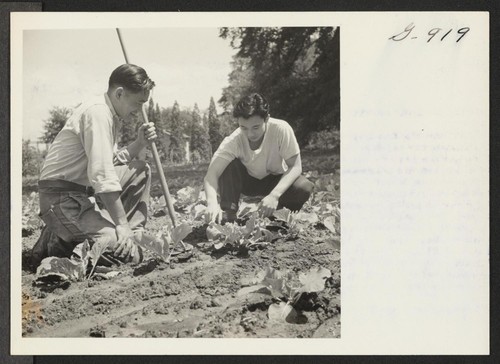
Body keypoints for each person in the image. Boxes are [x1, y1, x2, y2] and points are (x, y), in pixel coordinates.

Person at [32, 64, 157, 267]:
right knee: (130, 257)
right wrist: (121, 225)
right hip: (62, 199)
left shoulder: (107, 113)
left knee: (139, 170)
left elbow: (112, 161)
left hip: (79, 195)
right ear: (119, 93)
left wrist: (139, 143)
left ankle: (129, 235)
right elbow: (103, 175)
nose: (139, 110)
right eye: (138, 103)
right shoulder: (98, 113)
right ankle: (56, 242)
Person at [204, 93, 314, 224]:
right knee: (227, 164)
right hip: (247, 182)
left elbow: (296, 167)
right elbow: (211, 175)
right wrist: (211, 203)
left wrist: (274, 195)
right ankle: (229, 213)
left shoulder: (281, 129)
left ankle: (277, 216)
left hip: (275, 179)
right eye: (243, 128)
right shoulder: (233, 141)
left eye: (255, 127)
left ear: (266, 119)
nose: (250, 134)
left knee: (304, 187)